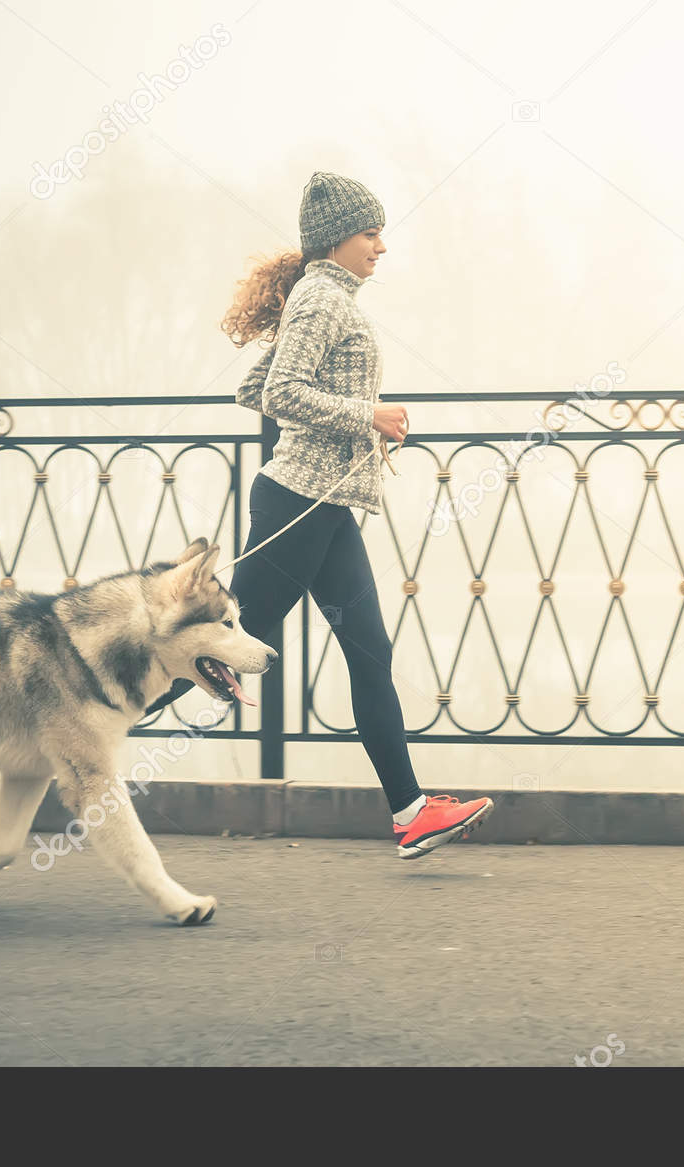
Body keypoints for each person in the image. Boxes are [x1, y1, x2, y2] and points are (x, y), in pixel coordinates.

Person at [144, 170, 492, 859]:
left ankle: (411, 813)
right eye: (372, 233)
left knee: (369, 654)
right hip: (298, 508)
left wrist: (354, 425)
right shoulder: (322, 300)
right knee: (215, 645)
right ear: (337, 239)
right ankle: (87, 710)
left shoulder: (325, 297)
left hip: (324, 508)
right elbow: (281, 391)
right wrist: (367, 414)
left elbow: (255, 387)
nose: (382, 246)